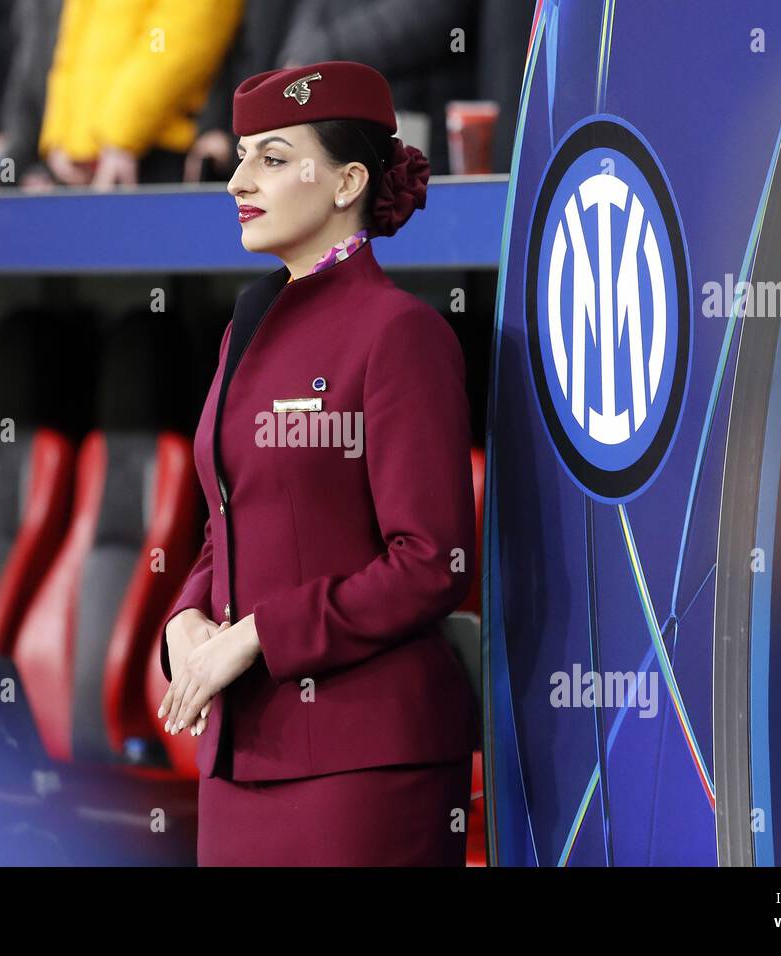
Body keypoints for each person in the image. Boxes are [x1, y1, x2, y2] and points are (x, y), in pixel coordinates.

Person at [155, 60, 480, 866]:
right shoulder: (249, 324)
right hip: (241, 756)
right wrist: (190, 616)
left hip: (362, 764)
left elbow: (432, 560)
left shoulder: (399, 333)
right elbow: (229, 517)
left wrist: (262, 633)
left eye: (271, 157)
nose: (238, 179)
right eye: (241, 156)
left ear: (347, 183)